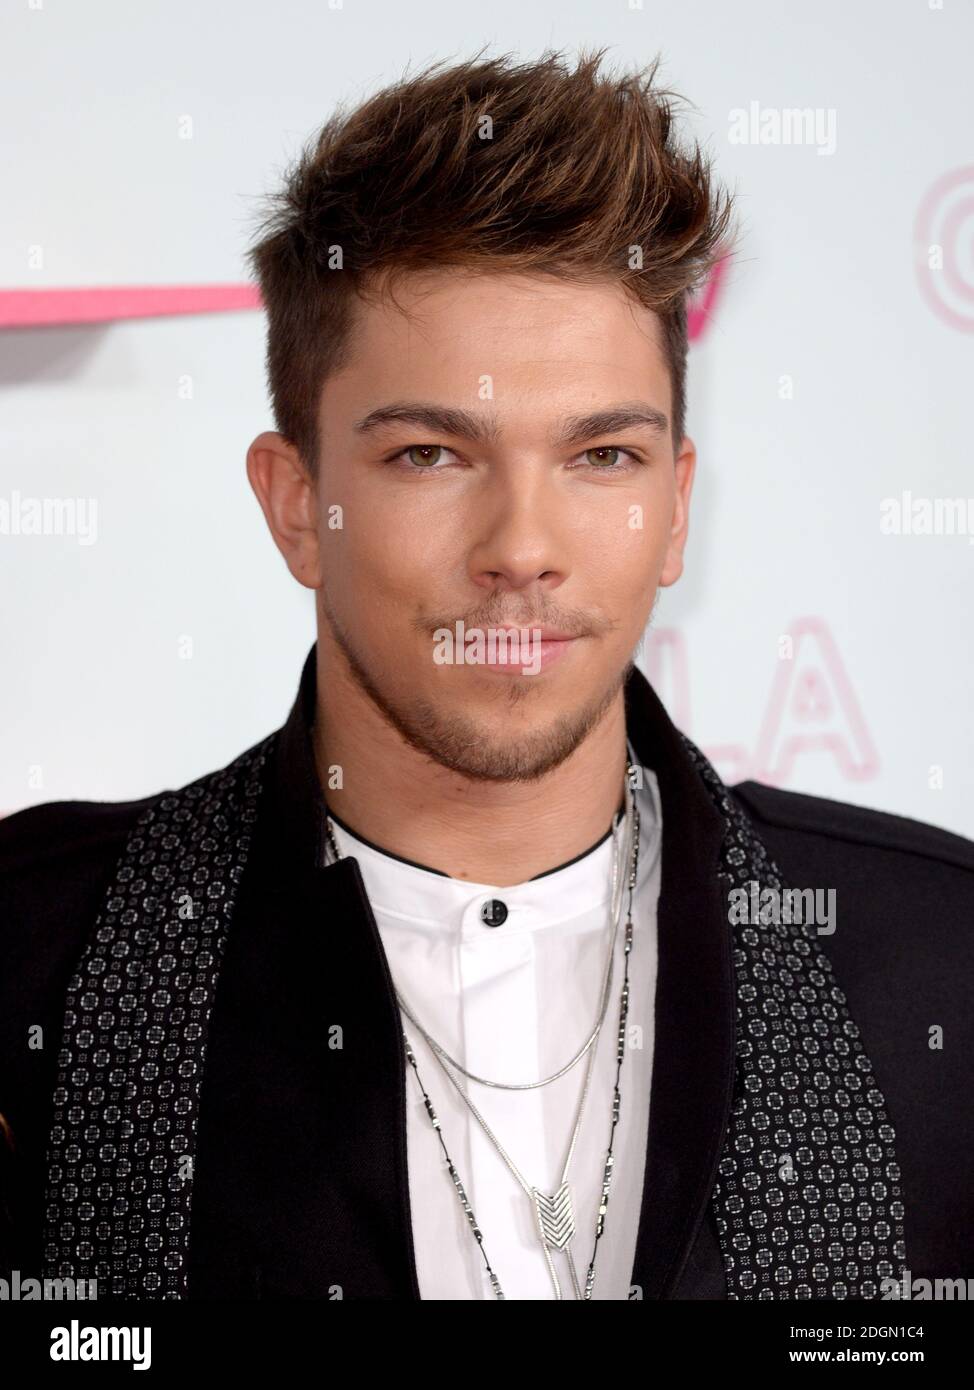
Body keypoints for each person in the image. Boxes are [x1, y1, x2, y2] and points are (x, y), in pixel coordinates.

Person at [2, 48, 972, 1303]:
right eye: (429, 454)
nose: (520, 548)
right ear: (296, 506)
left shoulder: (933, 960)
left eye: (601, 456)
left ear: (675, 508)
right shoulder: (45, 954)